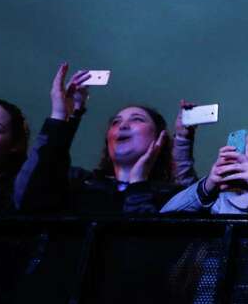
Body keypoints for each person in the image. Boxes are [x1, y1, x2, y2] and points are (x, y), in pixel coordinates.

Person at [14, 63, 177, 214]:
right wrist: (60, 116)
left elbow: (146, 242)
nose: (123, 126)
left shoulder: (173, 196)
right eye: (116, 122)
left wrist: (138, 184)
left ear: (160, 138)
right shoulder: (79, 184)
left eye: (137, 119)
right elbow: (29, 200)